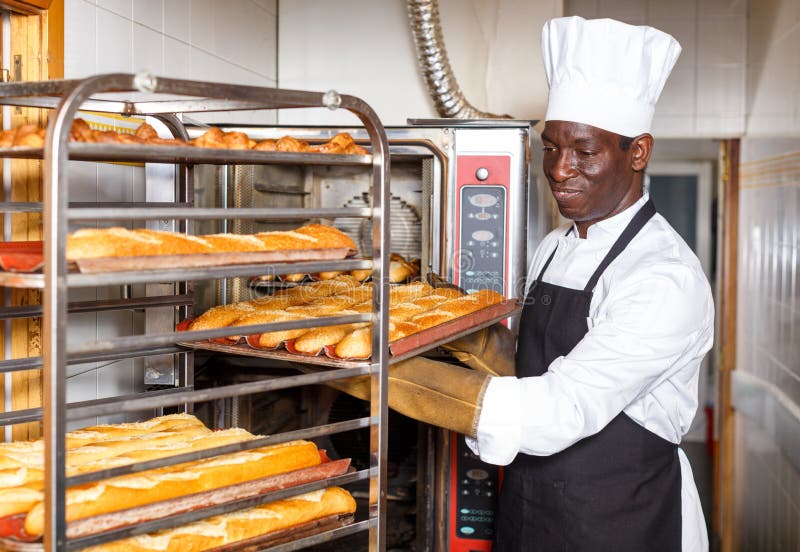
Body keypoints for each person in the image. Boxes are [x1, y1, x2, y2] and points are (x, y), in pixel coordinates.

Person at [333, 15, 713, 551]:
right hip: (530, 512)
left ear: (638, 152)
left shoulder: (664, 278)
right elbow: (530, 363)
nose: (559, 169)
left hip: (620, 521)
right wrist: (449, 330)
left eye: (584, 152)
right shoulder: (557, 244)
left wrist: (386, 378)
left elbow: (557, 409)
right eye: (551, 147)